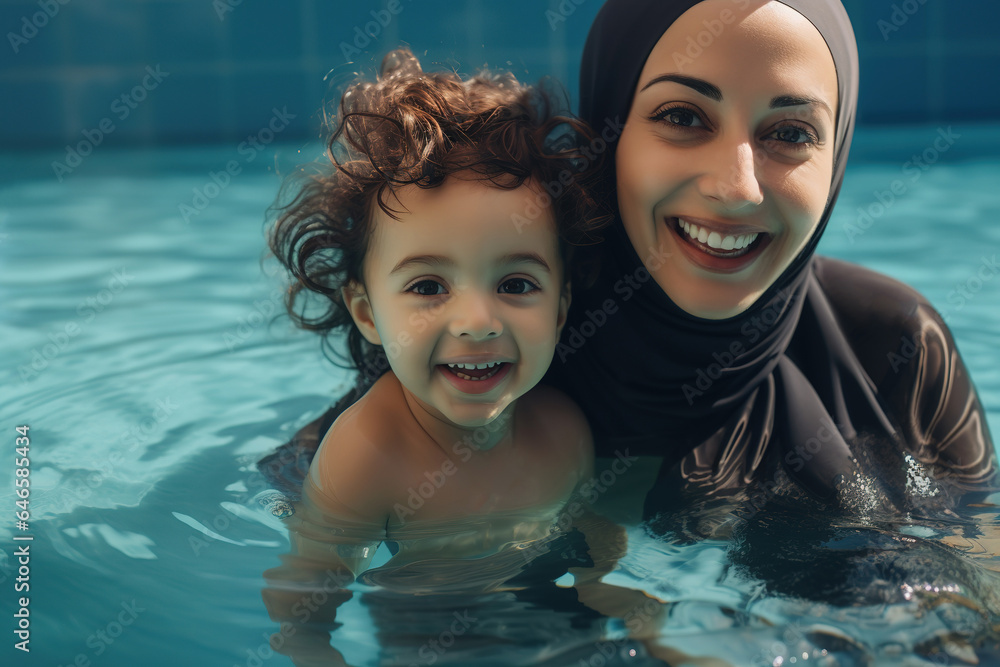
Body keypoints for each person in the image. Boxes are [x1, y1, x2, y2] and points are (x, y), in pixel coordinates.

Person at [264, 0, 996, 534]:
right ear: (610, 128)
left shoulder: (895, 349)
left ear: (835, 158)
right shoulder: (500, 337)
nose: (736, 187)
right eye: (683, 117)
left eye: (790, 132)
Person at [263, 47, 611, 564]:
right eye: (428, 287)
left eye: (516, 285)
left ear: (560, 310)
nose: (476, 323)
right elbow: (306, 595)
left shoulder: (566, 434)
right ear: (366, 313)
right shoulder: (365, 458)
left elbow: (596, 542)